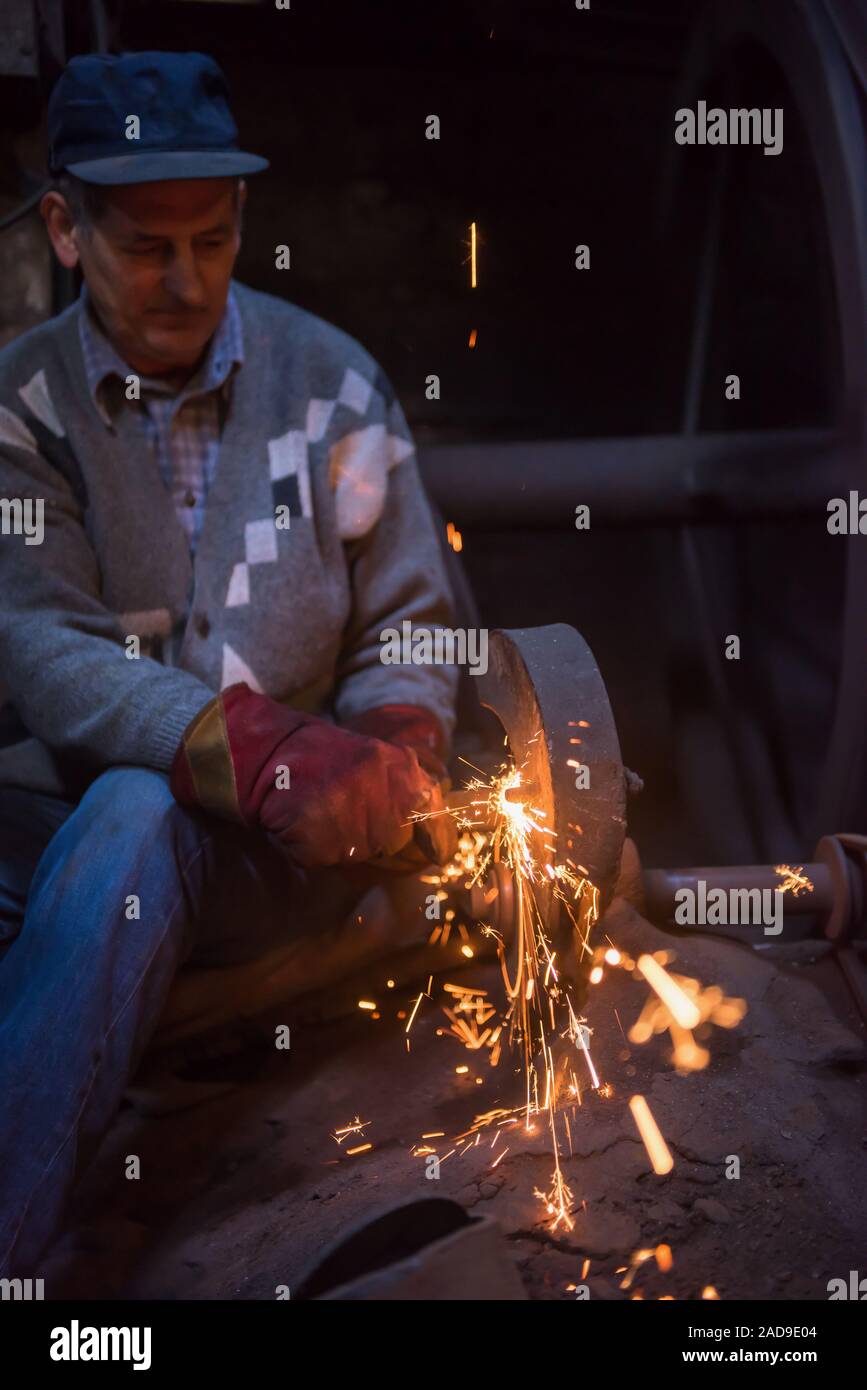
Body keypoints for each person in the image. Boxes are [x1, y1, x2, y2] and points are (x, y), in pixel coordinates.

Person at [0, 51, 457, 1279]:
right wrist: (255, 745)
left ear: (242, 218)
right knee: (133, 803)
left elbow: (409, 620)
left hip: (273, 862)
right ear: (65, 226)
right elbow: (44, 652)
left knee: (151, 815)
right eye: (148, 246)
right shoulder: (19, 410)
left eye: (211, 239)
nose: (186, 279)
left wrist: (393, 745)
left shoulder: (337, 388)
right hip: (50, 837)